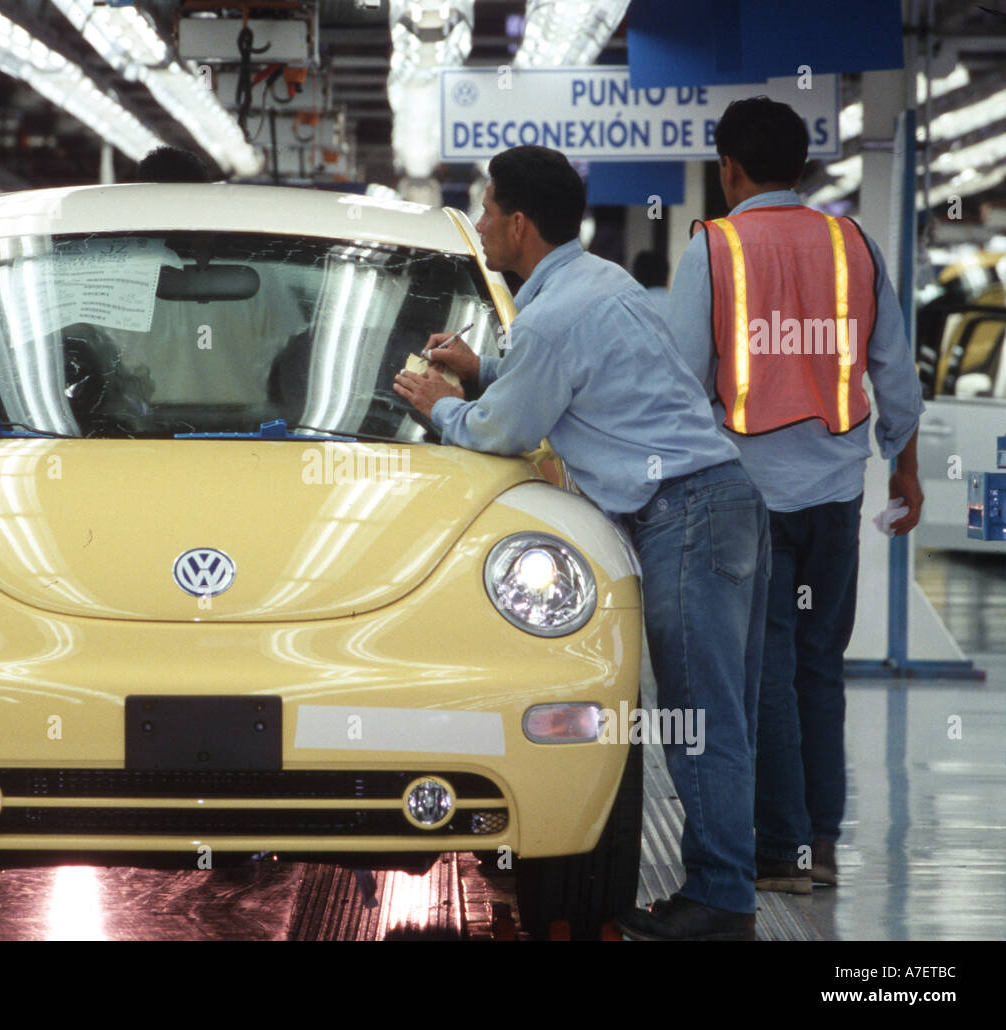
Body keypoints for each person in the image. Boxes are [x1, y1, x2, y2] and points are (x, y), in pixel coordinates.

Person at [393, 145, 770, 941]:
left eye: (490, 210)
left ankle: (722, 902)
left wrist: (440, 401)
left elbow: (502, 433)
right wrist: (486, 366)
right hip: (724, 501)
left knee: (702, 715)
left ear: (519, 223)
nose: (485, 224)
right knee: (722, 710)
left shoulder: (552, 317)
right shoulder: (601, 284)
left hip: (687, 516)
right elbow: (561, 379)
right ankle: (724, 887)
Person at [666, 97, 925, 893]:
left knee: (766, 671)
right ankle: (820, 841)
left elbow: (681, 381)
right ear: (804, 168)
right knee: (820, 667)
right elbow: (896, 373)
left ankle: (779, 851)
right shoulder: (854, 245)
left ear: (730, 170)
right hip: (837, 493)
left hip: (749, 497)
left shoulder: (715, 248)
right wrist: (905, 467)